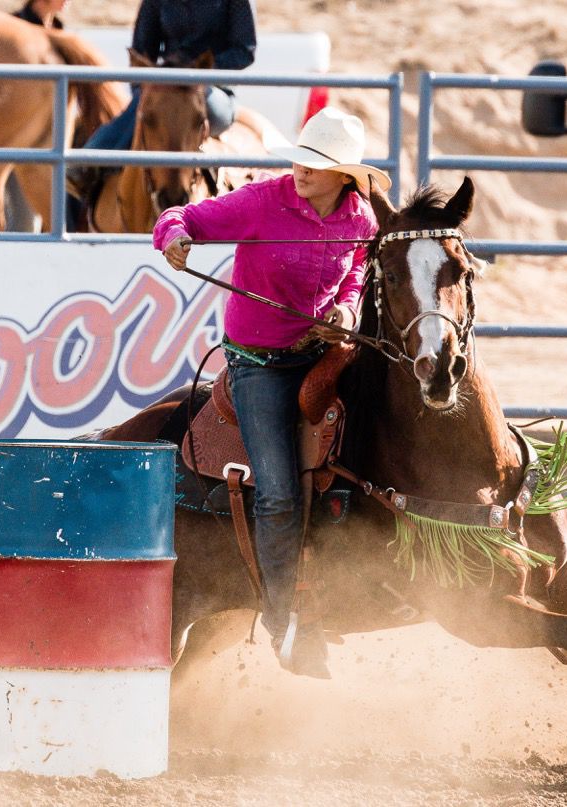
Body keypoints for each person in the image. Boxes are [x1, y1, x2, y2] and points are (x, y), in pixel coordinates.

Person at [154, 107, 390, 678]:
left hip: (323, 353)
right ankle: (283, 619)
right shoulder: (264, 201)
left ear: (345, 177)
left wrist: (346, 306)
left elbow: (357, 271)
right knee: (278, 492)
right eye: (300, 160)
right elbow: (186, 215)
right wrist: (176, 236)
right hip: (258, 365)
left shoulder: (361, 222)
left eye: (317, 164)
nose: (302, 171)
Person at [85, 0, 255, 153]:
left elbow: (244, 51)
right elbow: (142, 52)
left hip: (213, 91)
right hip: (166, 87)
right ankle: (86, 167)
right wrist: (144, 91)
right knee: (141, 112)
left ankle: (85, 161)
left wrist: (200, 71)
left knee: (192, 111)